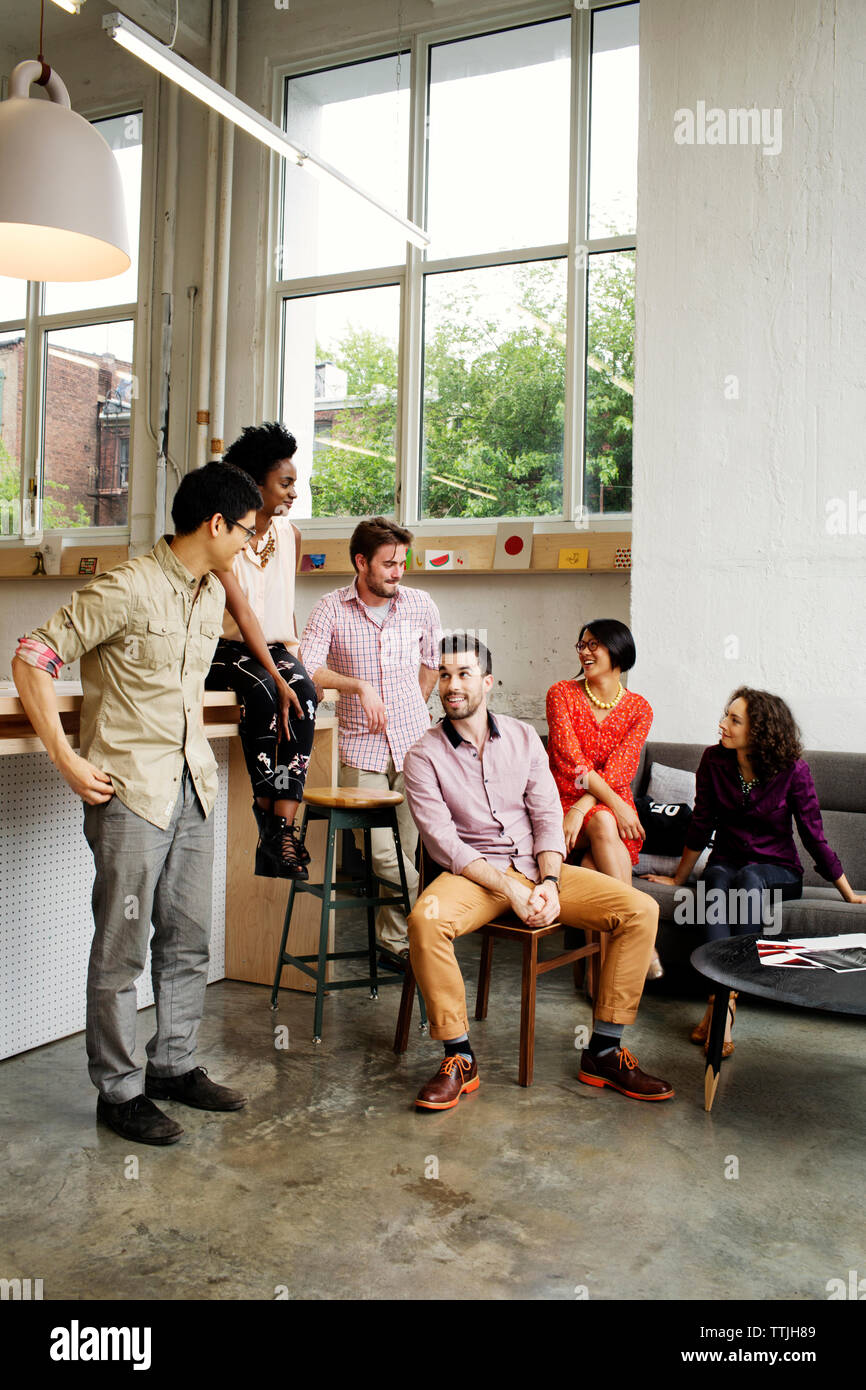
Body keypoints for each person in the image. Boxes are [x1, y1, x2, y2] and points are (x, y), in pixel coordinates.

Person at [12, 461, 263, 1147]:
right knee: (122, 949)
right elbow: (32, 655)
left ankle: (173, 1065)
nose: (249, 542)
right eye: (246, 529)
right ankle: (119, 1090)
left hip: (193, 787)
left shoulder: (210, 595)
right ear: (215, 524)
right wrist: (66, 759)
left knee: (188, 940)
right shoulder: (124, 588)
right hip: (130, 794)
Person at [401, 631, 674, 1111]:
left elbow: (548, 816)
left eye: (464, 673)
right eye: (444, 675)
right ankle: (459, 1056)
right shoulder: (422, 755)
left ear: (487, 681)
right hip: (475, 878)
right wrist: (509, 888)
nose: (452, 685)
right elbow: (443, 843)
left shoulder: (524, 738)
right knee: (425, 920)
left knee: (641, 910)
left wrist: (548, 881)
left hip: (538, 870)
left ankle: (605, 1050)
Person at [645, 687, 866, 1055]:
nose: (722, 724)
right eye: (725, 715)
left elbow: (813, 836)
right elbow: (700, 826)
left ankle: (723, 1002)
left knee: (748, 879)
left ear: (760, 730)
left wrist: (848, 892)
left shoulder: (794, 770)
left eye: (734, 720)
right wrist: (678, 879)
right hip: (726, 864)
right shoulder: (714, 762)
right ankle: (722, 1003)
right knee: (715, 878)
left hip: (777, 871)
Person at [299, 517, 441, 959]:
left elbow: (432, 662)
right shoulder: (330, 607)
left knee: (409, 849)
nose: (398, 572)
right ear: (361, 562)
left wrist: (412, 706)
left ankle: (396, 942)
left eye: (402, 562)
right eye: (388, 564)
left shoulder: (420, 604)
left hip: (416, 750)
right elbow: (307, 669)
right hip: (361, 752)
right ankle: (423, 936)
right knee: (385, 857)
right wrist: (357, 686)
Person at [206, 423, 318, 878]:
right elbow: (243, 616)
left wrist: (296, 666)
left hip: (272, 645)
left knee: (305, 695)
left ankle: (280, 830)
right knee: (267, 695)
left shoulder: (291, 537)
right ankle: (268, 823)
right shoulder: (225, 535)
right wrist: (276, 674)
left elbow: (281, 608)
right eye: (285, 483)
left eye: (295, 483)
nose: (294, 493)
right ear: (256, 485)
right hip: (225, 649)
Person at [546, 618, 663, 980]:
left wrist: (588, 806)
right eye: (581, 645)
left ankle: (602, 995)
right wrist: (588, 806)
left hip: (605, 816)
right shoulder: (561, 694)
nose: (585, 651)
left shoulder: (639, 709)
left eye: (594, 644)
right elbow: (571, 762)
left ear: (618, 650)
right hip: (565, 807)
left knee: (596, 873)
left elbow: (620, 769)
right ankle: (642, 934)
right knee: (604, 818)